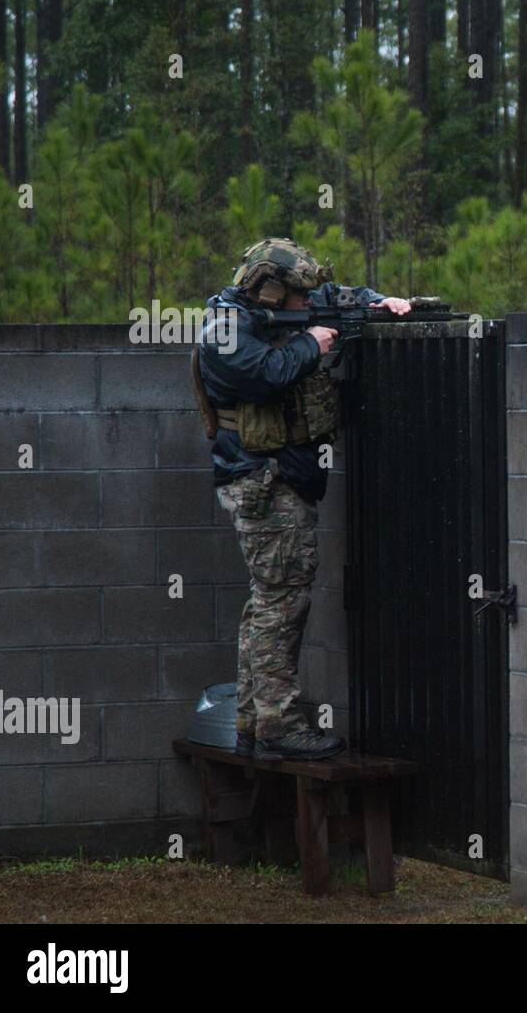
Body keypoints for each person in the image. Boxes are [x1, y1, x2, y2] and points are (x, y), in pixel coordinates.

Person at [193, 237, 413, 760]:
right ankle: (277, 727)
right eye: (299, 296)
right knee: (281, 603)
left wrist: (381, 301)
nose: (309, 303)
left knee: (267, 602)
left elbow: (341, 295)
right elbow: (264, 374)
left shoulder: (284, 307)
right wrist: (312, 343)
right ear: (270, 291)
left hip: (278, 479)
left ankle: (253, 719)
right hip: (264, 484)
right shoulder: (225, 330)